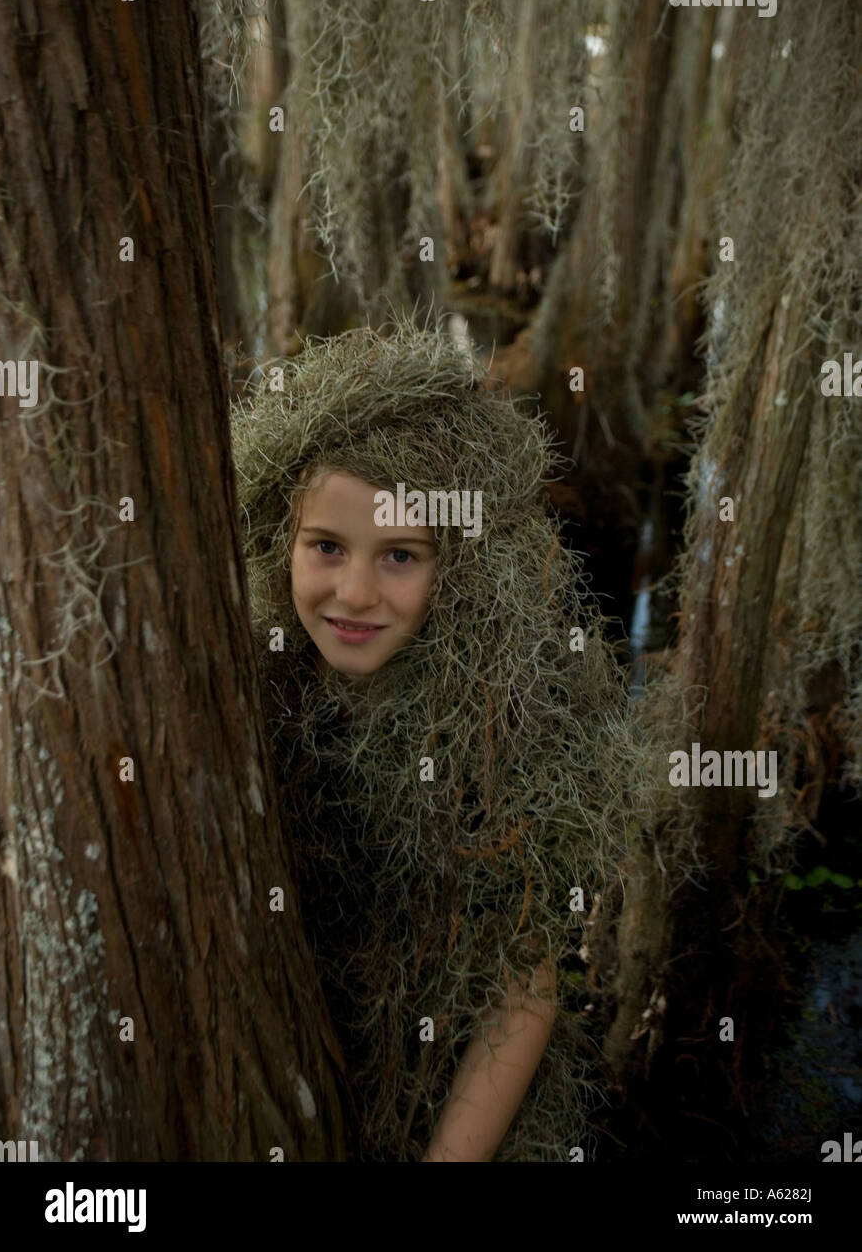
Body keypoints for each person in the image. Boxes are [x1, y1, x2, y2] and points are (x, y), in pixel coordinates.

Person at [232, 308, 645, 1161]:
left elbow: (521, 993)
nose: (352, 593)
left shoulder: (510, 721)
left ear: (462, 568)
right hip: (283, 1080)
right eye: (325, 546)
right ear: (283, 543)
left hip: (438, 1095)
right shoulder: (249, 680)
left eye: (400, 555)